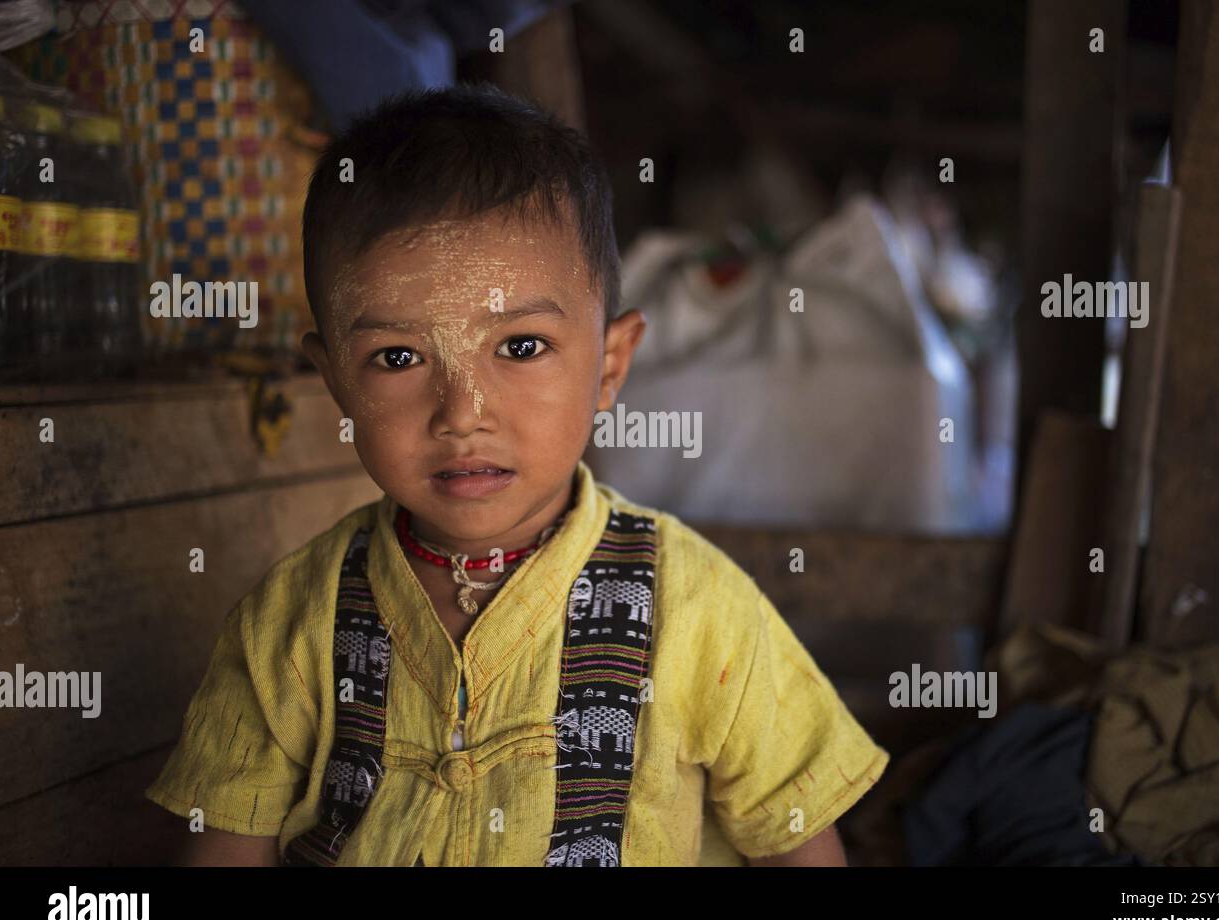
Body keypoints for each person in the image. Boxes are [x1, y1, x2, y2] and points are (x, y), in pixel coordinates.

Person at [144, 82, 888, 866]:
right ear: (336, 384)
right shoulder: (289, 624)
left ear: (610, 366)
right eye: (397, 357)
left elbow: (799, 845)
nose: (463, 414)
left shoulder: (699, 611)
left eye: (521, 347)